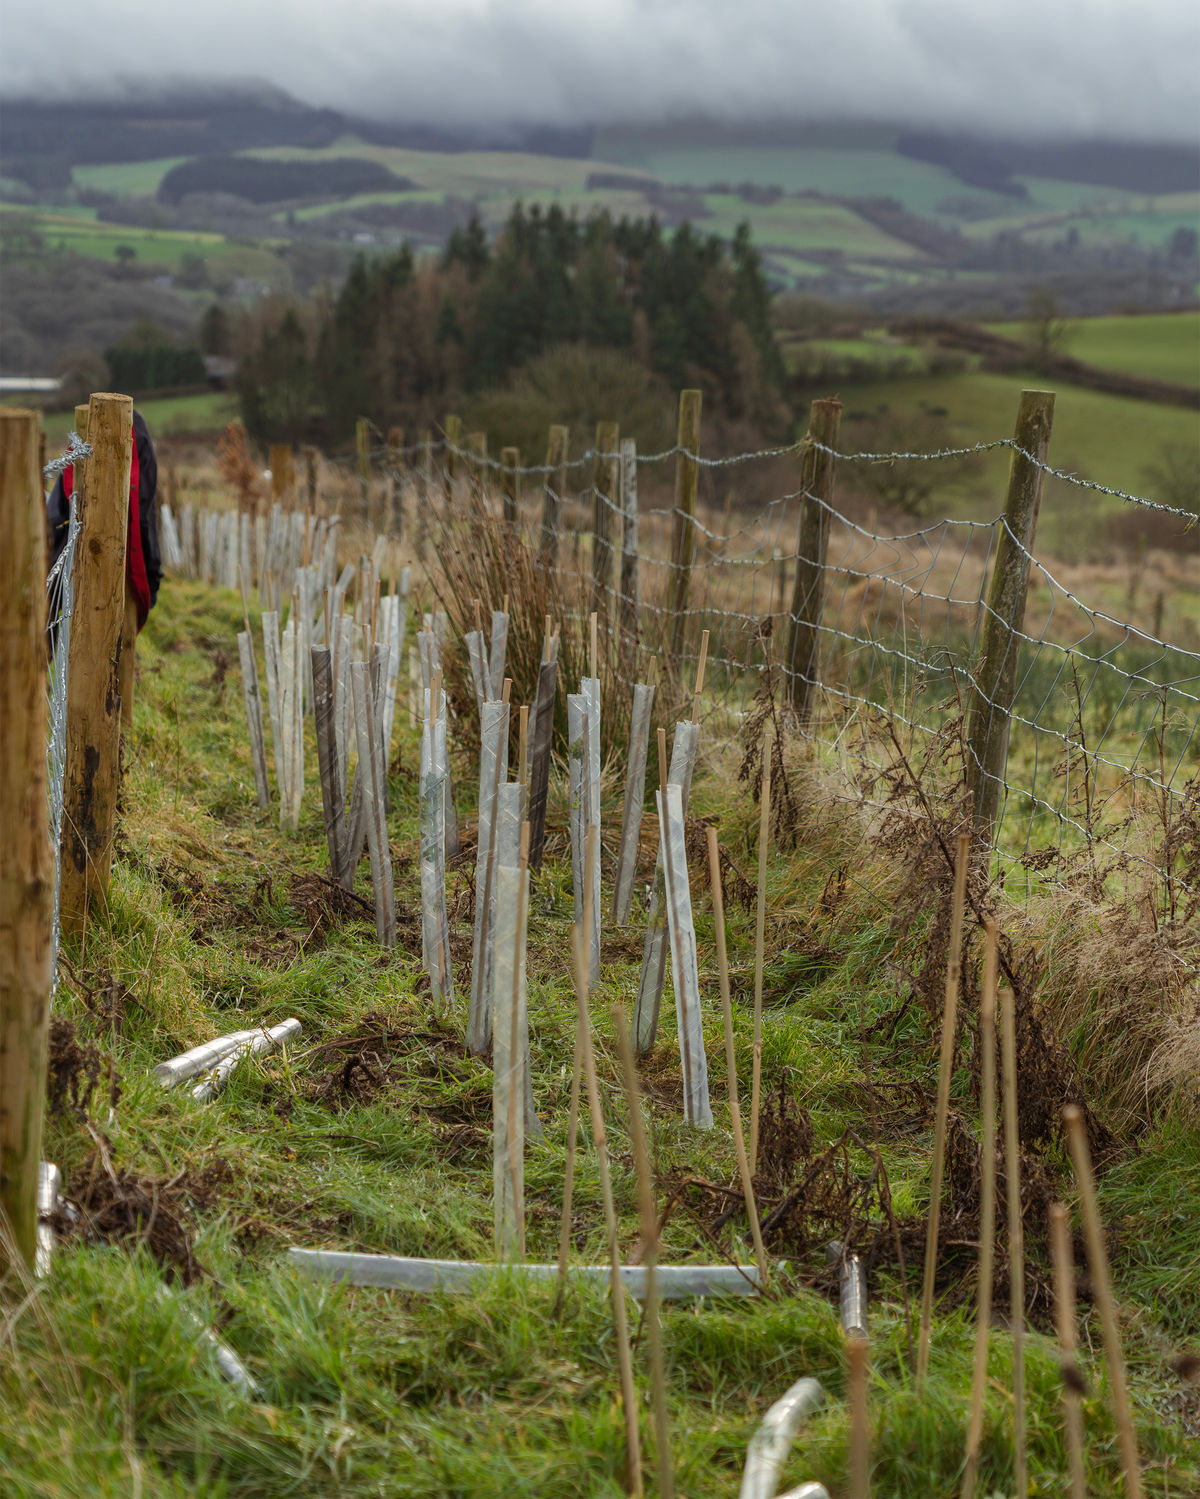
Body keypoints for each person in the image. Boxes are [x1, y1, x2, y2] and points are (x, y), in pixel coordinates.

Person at [47, 408, 162, 723]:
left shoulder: (136, 439)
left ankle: (112, 730)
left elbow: (143, 513)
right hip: (79, 562)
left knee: (110, 647)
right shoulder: (132, 440)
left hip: (115, 568)